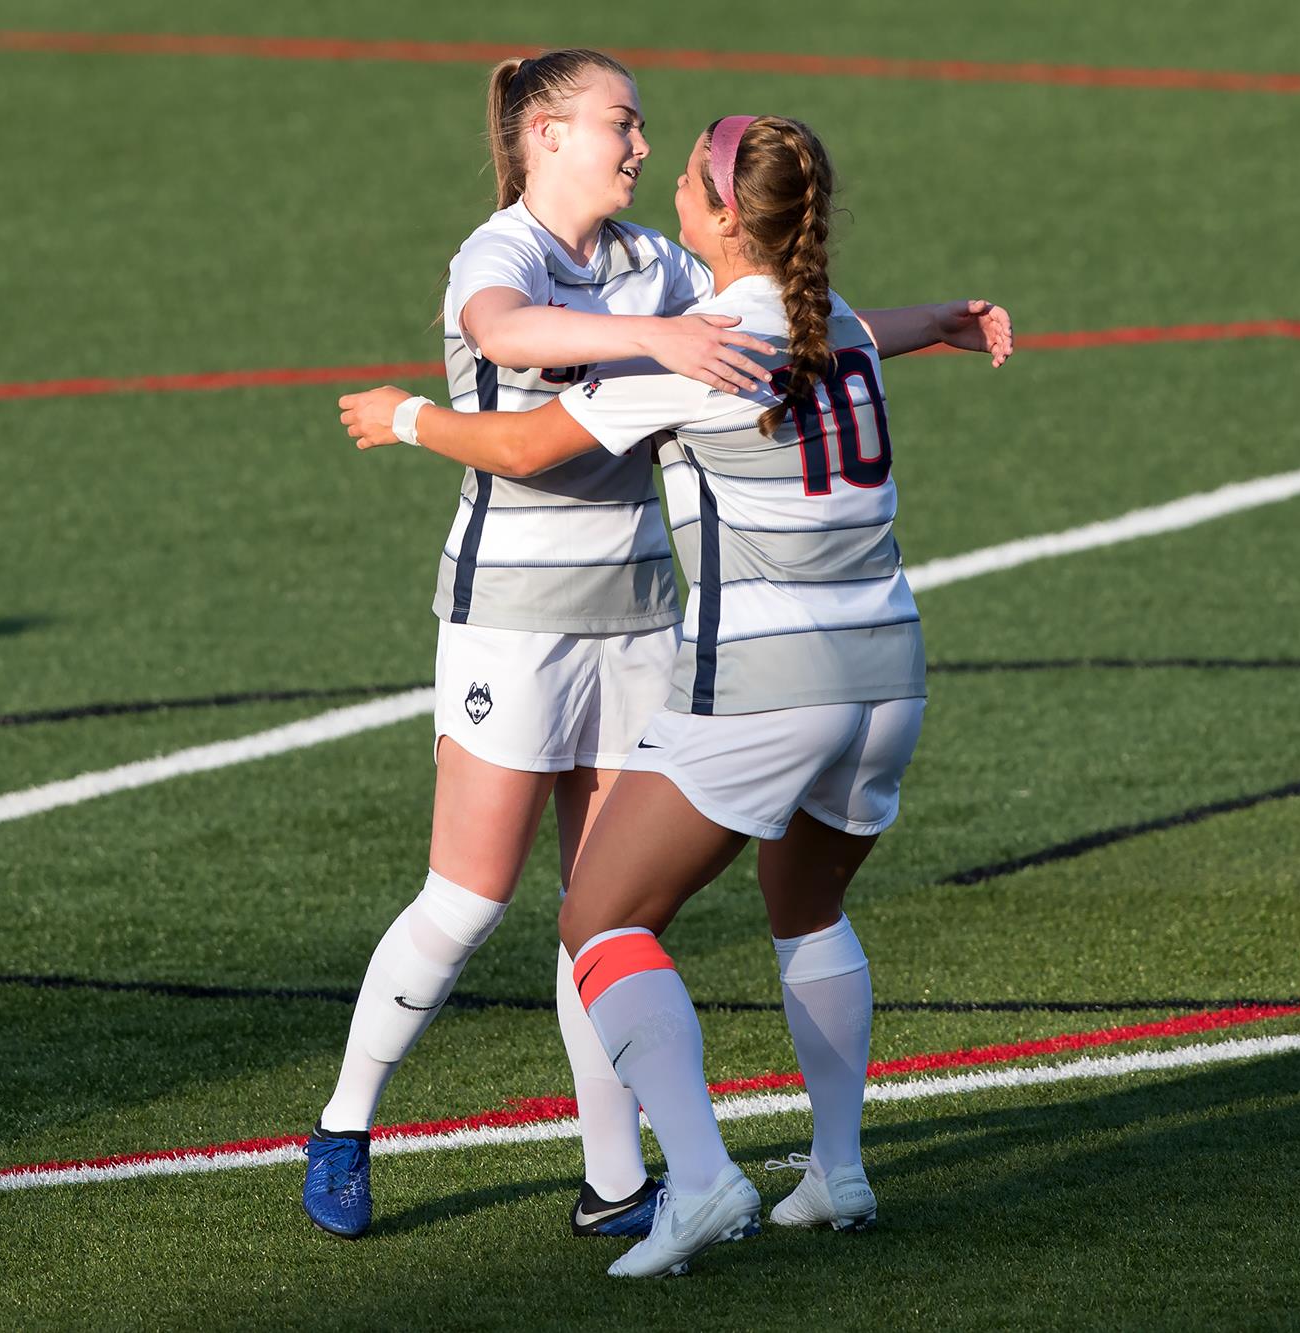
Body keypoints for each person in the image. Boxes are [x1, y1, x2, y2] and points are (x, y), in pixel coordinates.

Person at [311, 51, 1012, 1246]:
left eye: (650, 137)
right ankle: (345, 1120)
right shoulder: (503, 252)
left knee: (607, 910)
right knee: (470, 896)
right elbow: (504, 329)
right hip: (514, 617)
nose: (640, 149)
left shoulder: (658, 262)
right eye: (620, 124)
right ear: (544, 137)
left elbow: (783, 326)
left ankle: (619, 1177)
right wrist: (659, 345)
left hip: (647, 611)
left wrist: (919, 325)